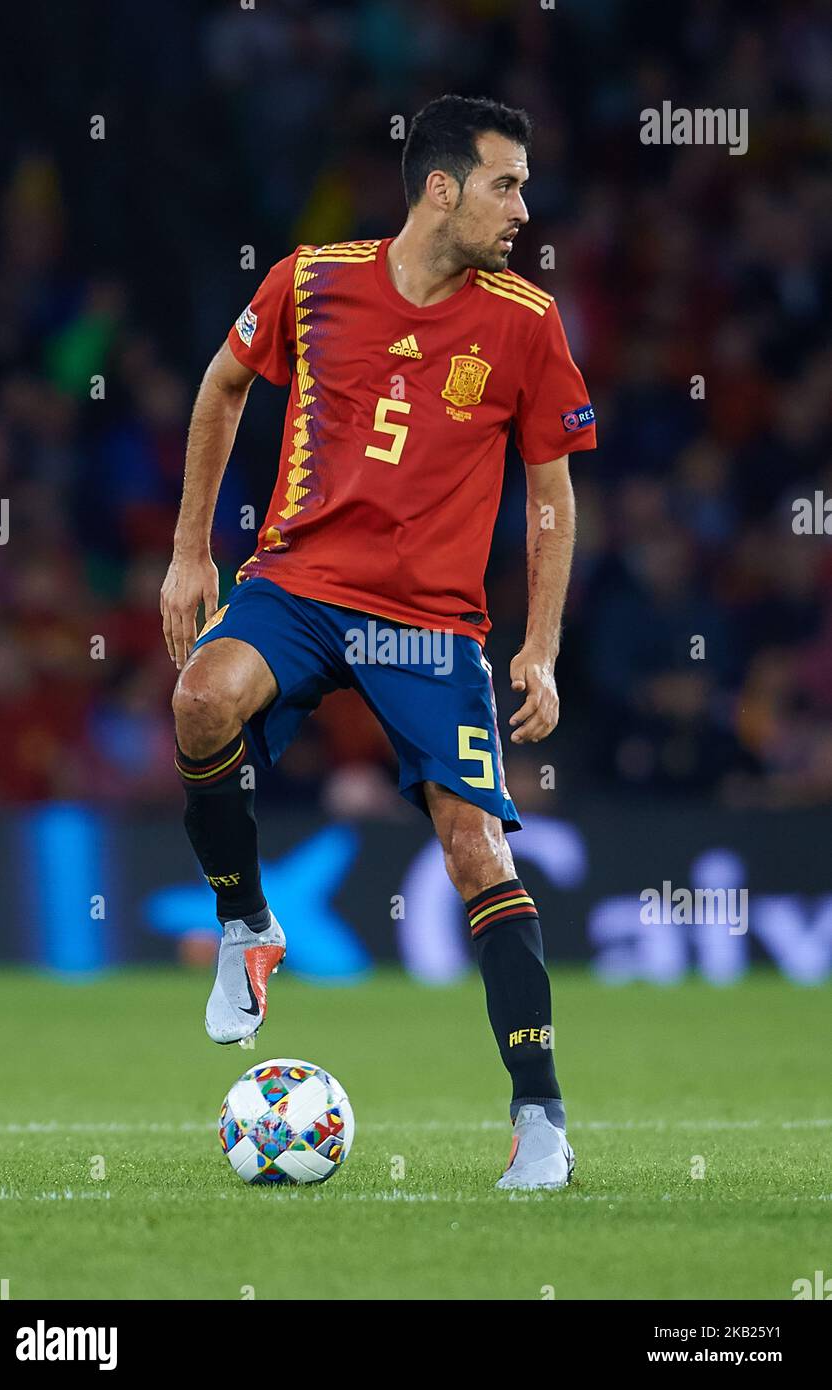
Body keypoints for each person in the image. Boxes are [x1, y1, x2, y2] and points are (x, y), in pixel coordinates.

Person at [160, 95, 596, 1189]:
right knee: (200, 700)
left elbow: (550, 491)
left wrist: (538, 645)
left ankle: (538, 1120)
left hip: (430, 623)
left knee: (476, 853)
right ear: (440, 188)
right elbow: (220, 388)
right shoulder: (308, 281)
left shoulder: (523, 320)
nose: (522, 207)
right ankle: (246, 924)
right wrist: (187, 554)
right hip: (300, 581)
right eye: (505, 183)